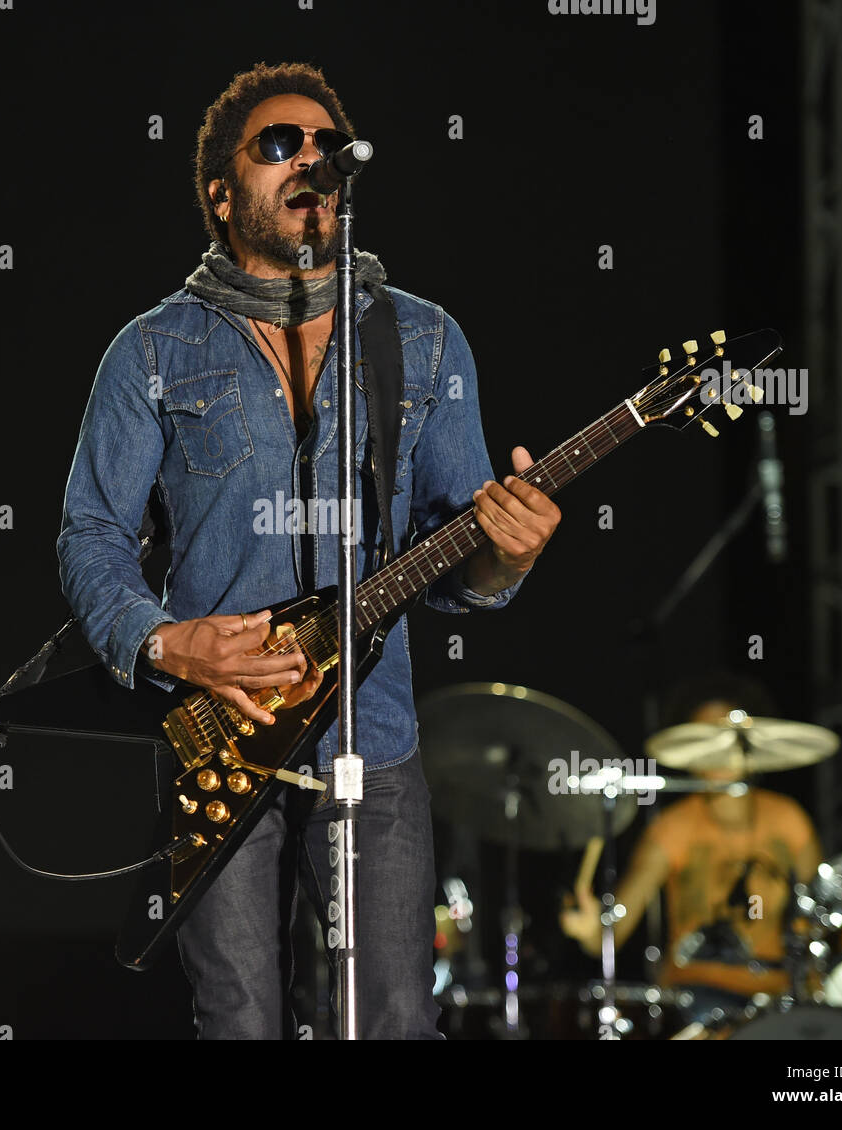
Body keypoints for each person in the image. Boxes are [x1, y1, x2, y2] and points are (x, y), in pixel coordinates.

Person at [56, 62, 560, 1039]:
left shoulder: (421, 339)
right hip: (222, 729)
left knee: (390, 1018)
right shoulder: (152, 350)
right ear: (219, 190)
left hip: (373, 737)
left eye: (327, 147)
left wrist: (508, 555)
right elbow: (91, 534)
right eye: (279, 144)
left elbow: (459, 561)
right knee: (238, 1015)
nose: (309, 162)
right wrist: (165, 643)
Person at [558, 674, 822, 1027]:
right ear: (689, 754)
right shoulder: (673, 827)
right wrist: (592, 931)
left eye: (728, 740)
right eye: (704, 740)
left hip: (780, 997)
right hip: (697, 998)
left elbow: (823, 914)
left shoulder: (788, 818)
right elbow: (613, 930)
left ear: (750, 749)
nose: (718, 754)